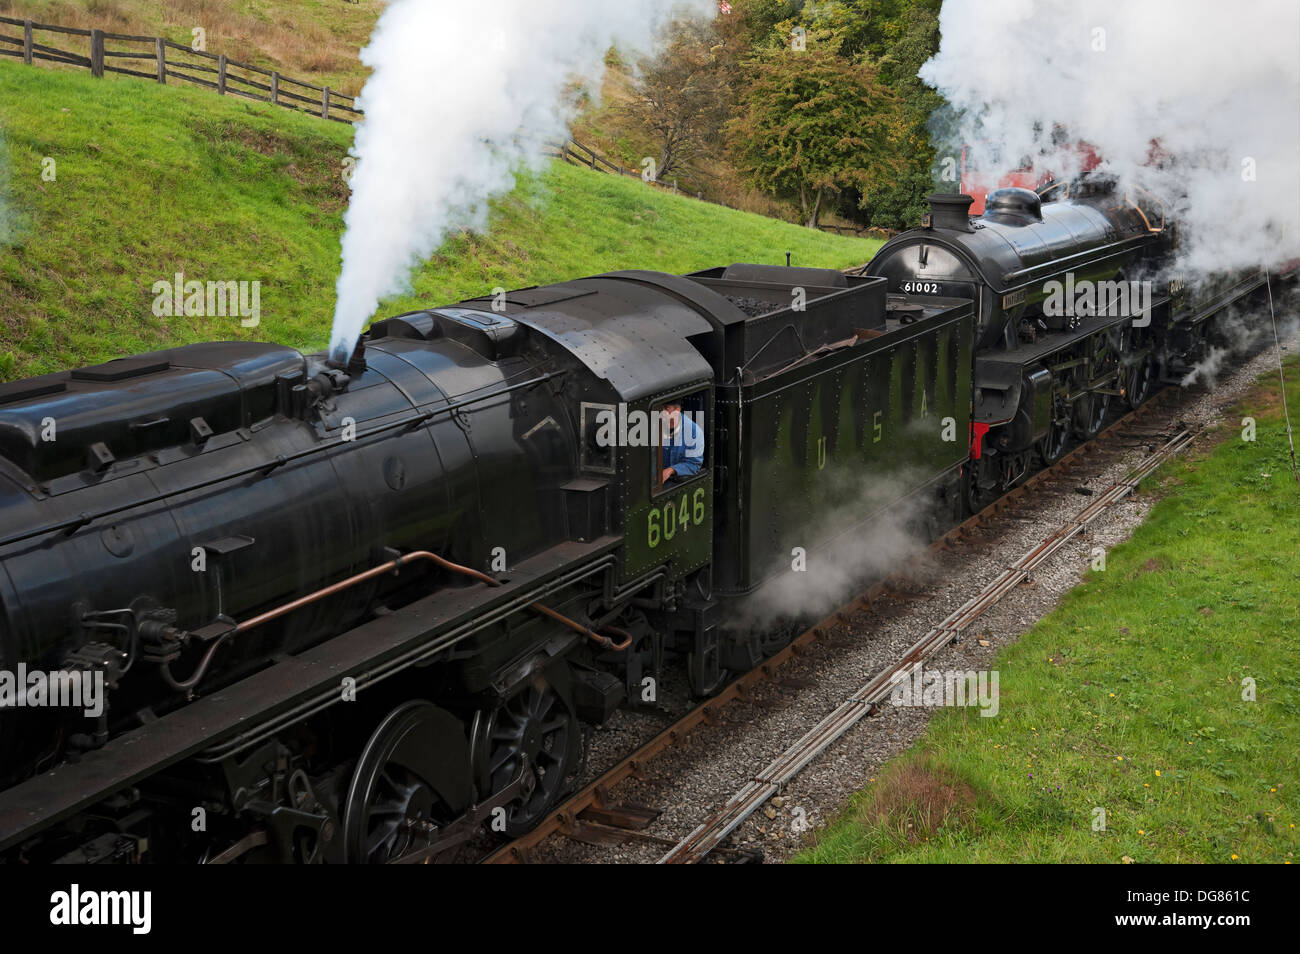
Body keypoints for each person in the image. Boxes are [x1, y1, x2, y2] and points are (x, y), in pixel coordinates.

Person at [659, 402, 703, 486]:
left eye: (666, 408)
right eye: (661, 408)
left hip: (674, 484)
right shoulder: (653, 425)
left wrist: (671, 470)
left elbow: (693, 464)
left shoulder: (694, 432)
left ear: (677, 410)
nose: (662, 412)